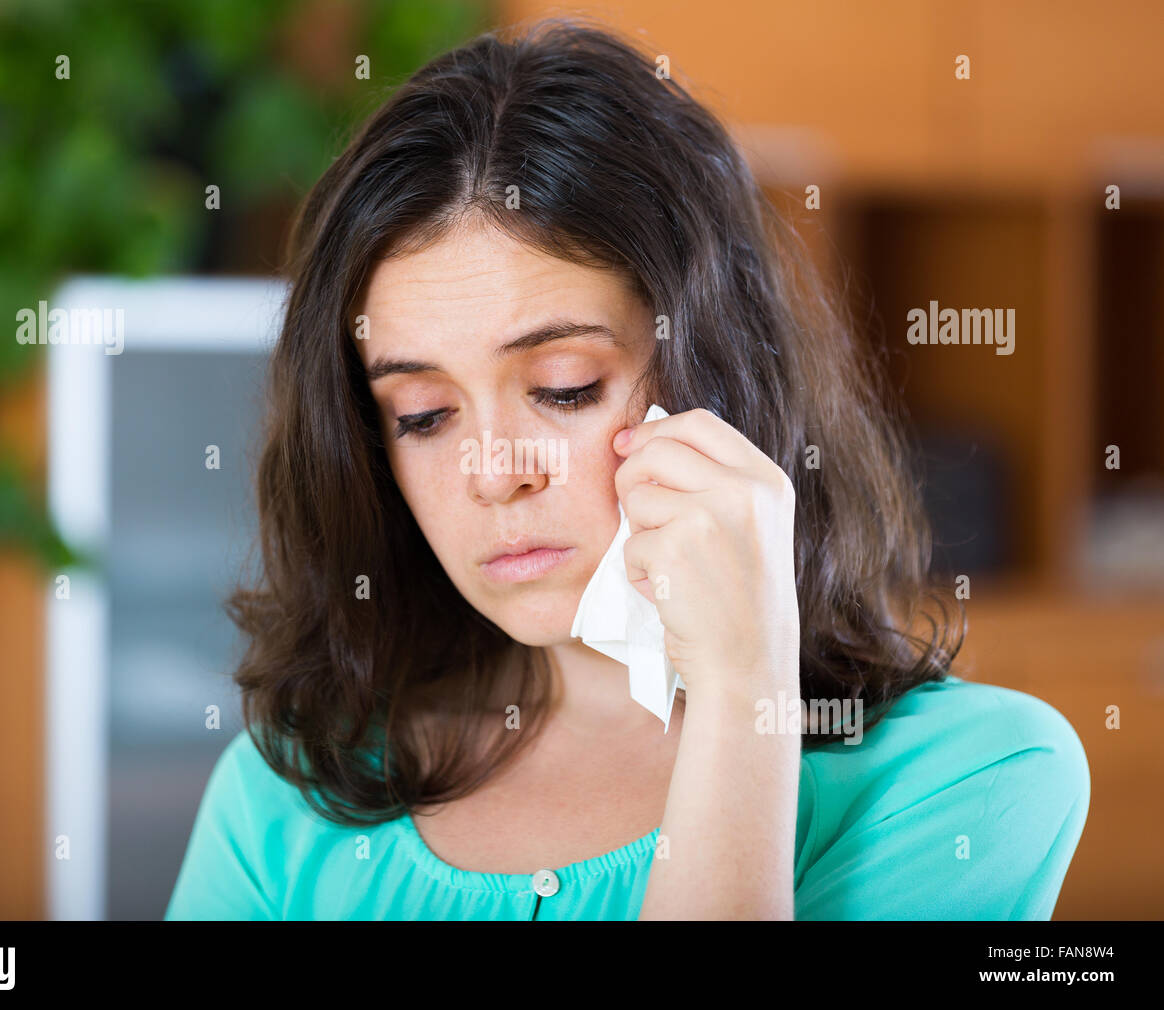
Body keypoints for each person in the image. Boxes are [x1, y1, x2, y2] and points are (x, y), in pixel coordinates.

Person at [164, 17, 1089, 921]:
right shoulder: (289, 792)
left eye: (564, 388)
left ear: (717, 371)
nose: (493, 473)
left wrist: (741, 698)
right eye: (424, 415)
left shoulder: (975, 778)